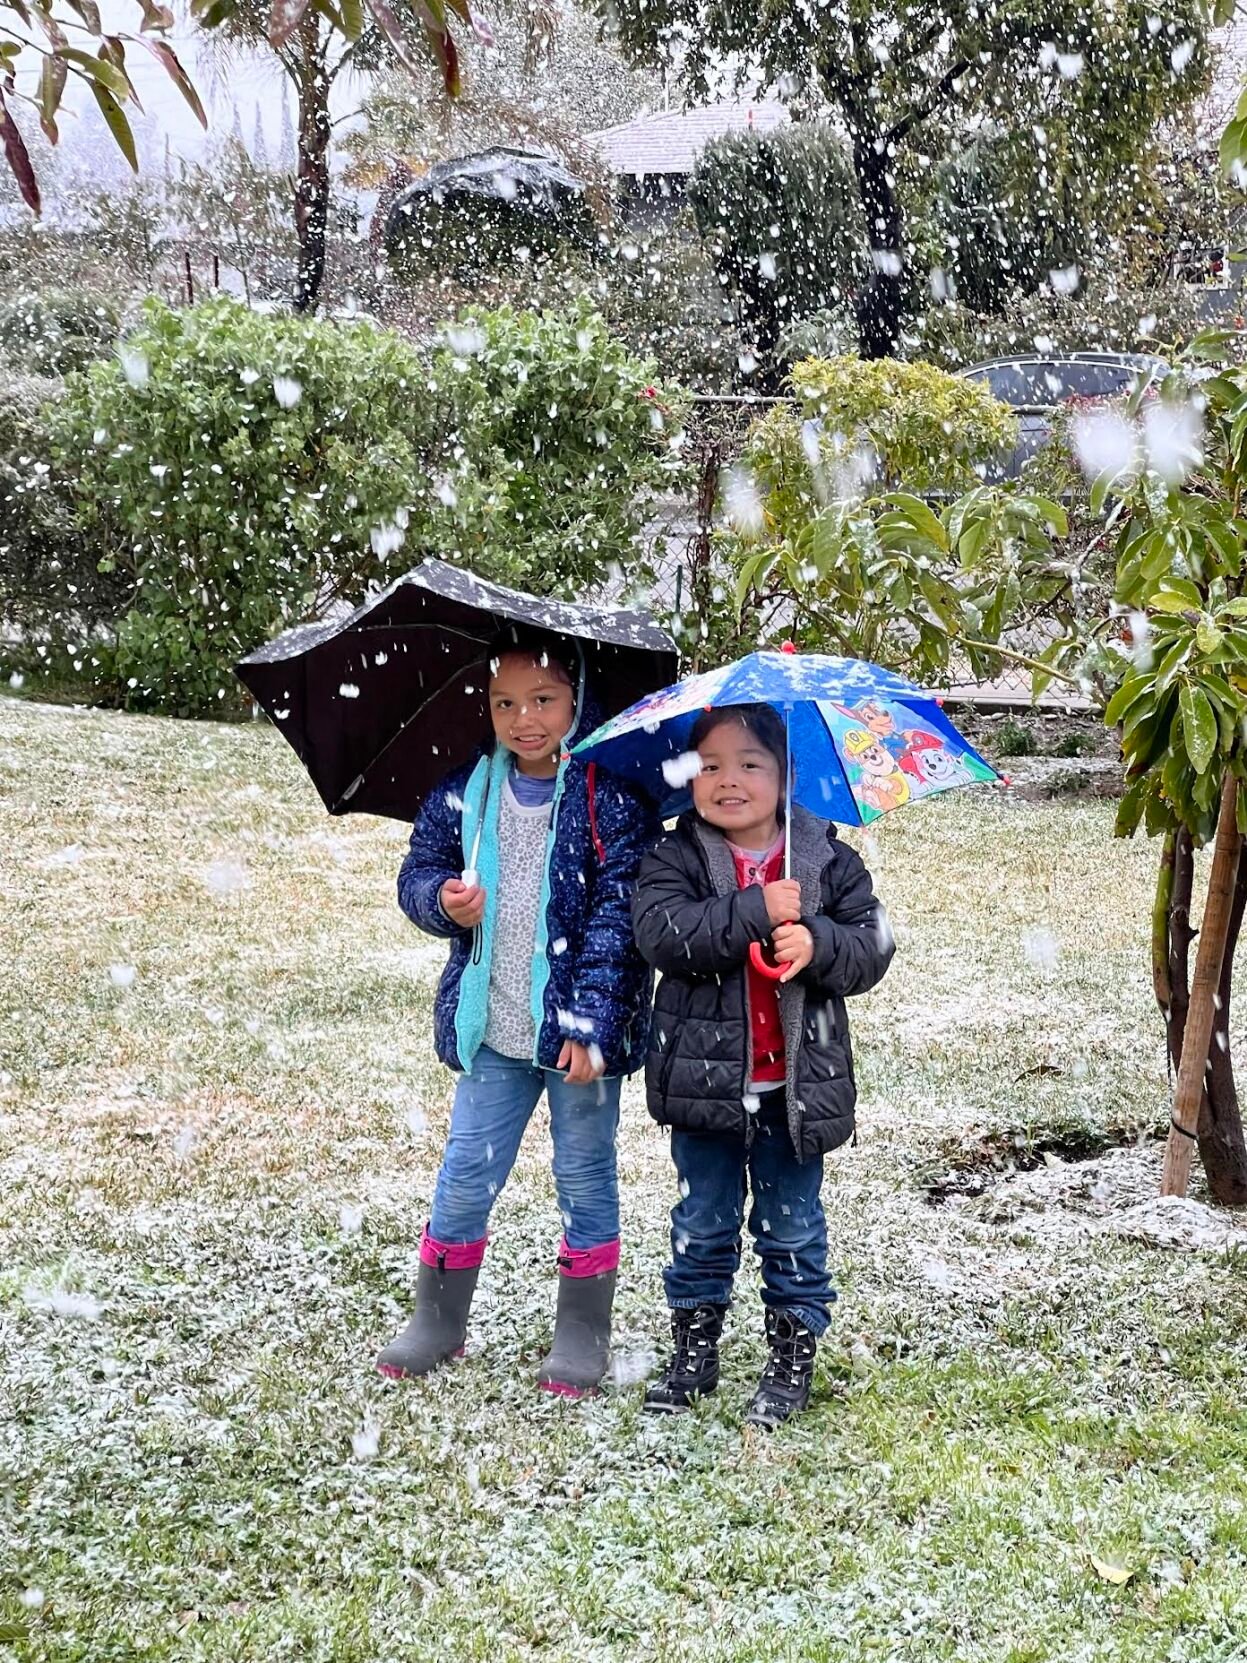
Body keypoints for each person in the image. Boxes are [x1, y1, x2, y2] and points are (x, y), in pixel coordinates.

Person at [376, 625, 658, 1397]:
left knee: (584, 1174)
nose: (523, 717)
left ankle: (582, 1331)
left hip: (576, 1041)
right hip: (494, 1029)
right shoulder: (465, 790)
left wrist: (593, 1025)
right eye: (504, 702)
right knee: (467, 1170)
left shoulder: (608, 798)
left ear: (578, 700)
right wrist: (441, 901)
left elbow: (616, 922)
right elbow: (418, 872)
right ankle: (438, 1316)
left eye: (543, 699)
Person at [631, 704, 894, 1428]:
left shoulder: (826, 859)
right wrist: (752, 907)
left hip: (793, 1091)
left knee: (792, 1225)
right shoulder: (674, 856)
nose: (728, 780)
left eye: (750, 763)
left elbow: (872, 944)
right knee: (703, 1221)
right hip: (704, 1088)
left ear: (785, 776)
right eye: (709, 765)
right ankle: (694, 1346)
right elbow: (663, 936)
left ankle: (790, 1353)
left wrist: (815, 939)